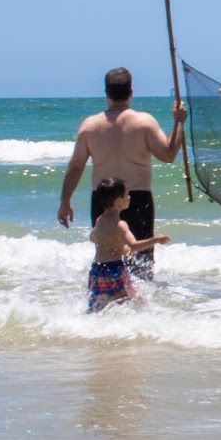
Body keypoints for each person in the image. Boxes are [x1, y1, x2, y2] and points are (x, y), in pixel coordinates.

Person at [58, 67, 187, 281]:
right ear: (131, 91)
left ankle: (106, 305)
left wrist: (65, 200)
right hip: (136, 198)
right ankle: (137, 309)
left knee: (108, 258)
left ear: (106, 92)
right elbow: (168, 154)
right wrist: (179, 123)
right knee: (141, 264)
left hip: (103, 199)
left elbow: (76, 166)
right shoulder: (144, 122)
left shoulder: (89, 126)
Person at [88, 177, 171, 311]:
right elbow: (134, 245)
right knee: (136, 299)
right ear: (118, 201)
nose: (129, 197)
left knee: (98, 306)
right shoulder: (120, 224)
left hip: (97, 270)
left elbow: (93, 238)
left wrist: (120, 247)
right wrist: (156, 239)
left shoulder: (100, 220)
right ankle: (151, 317)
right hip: (115, 269)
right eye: (127, 194)